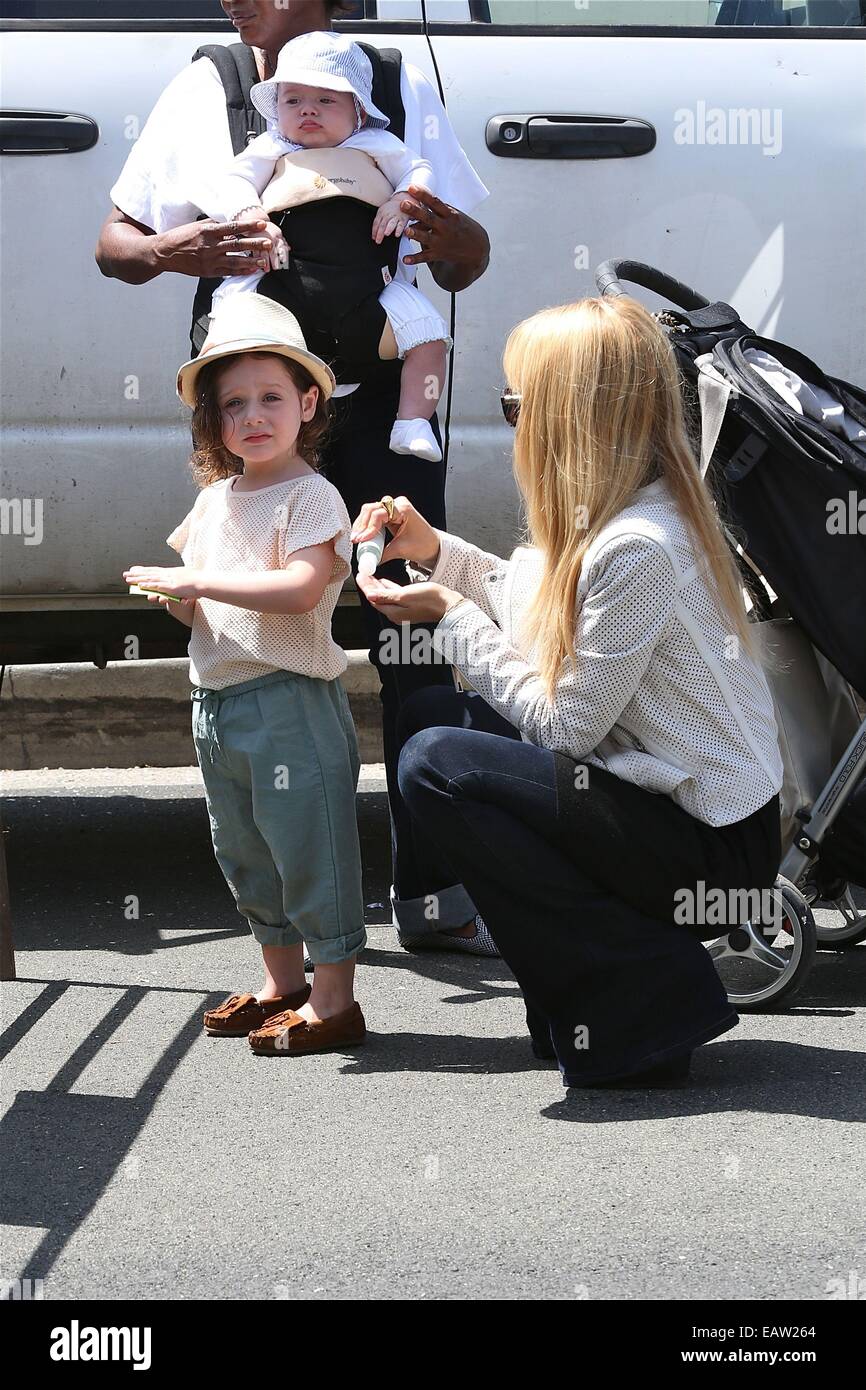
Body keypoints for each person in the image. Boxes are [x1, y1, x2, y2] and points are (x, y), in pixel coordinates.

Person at [95, 0, 491, 958]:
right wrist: (172, 251)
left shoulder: (392, 85)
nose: (236, 1)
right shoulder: (211, 85)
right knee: (257, 622)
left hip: (380, 397)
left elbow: (470, 257)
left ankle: (433, 885)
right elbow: (118, 244)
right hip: (260, 417)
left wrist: (437, 234)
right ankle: (284, 899)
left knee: (408, 620)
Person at [351, 296, 785, 1088]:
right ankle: (588, 995)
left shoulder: (639, 545)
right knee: (427, 714)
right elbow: (532, 602)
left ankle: (643, 993)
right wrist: (436, 552)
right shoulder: (625, 516)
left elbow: (567, 729)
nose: (512, 422)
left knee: (438, 762)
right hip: (674, 815)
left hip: (714, 850)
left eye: (516, 403)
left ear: (569, 418)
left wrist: (449, 616)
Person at [124, 294, 367, 1058]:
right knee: (246, 852)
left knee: (310, 847)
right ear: (213, 421)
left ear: (308, 402)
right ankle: (281, 983)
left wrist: (197, 586)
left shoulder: (311, 496)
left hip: (289, 702)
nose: (253, 416)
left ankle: (334, 1004)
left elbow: (299, 589)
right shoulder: (214, 500)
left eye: (271, 398)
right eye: (233, 404)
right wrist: (175, 595)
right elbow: (198, 608)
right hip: (220, 704)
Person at [196, 32, 452, 464]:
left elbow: (421, 170)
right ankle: (219, 413)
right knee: (230, 319)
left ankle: (412, 421)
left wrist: (401, 200)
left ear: (358, 109)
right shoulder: (272, 147)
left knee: (429, 335)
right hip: (281, 279)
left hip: (372, 286)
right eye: (293, 101)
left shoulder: (378, 145)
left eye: (326, 101)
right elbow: (232, 181)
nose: (308, 110)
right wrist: (251, 215)